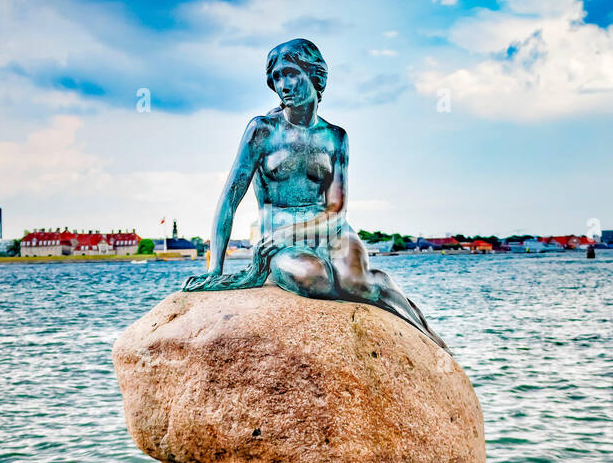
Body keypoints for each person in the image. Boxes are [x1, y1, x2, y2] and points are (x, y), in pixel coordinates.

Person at [183, 38, 445, 348]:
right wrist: (215, 270)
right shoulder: (262, 131)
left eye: (291, 73)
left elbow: (337, 210)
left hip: (331, 230)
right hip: (279, 237)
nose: (283, 85)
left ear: (315, 75)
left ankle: (433, 342)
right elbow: (229, 200)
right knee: (316, 280)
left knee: (358, 283)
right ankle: (276, 272)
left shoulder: (335, 137)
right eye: (276, 78)